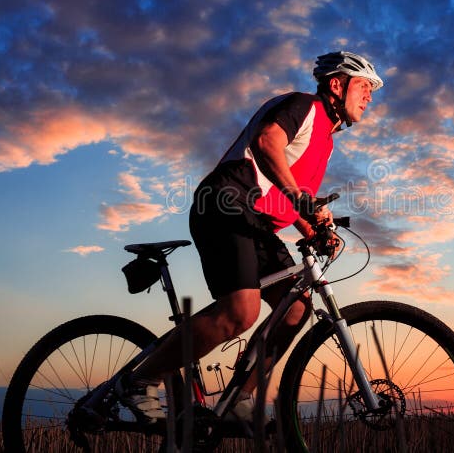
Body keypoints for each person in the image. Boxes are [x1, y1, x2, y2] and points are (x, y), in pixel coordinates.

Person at [117, 51, 384, 424]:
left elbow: (288, 197)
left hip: (256, 220)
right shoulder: (304, 106)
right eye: (364, 86)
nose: (370, 96)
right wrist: (302, 201)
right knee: (242, 310)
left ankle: (236, 402)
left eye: (372, 90)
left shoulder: (325, 140)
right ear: (336, 85)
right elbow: (266, 142)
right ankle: (139, 380)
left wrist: (312, 229)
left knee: (295, 310)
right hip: (227, 203)